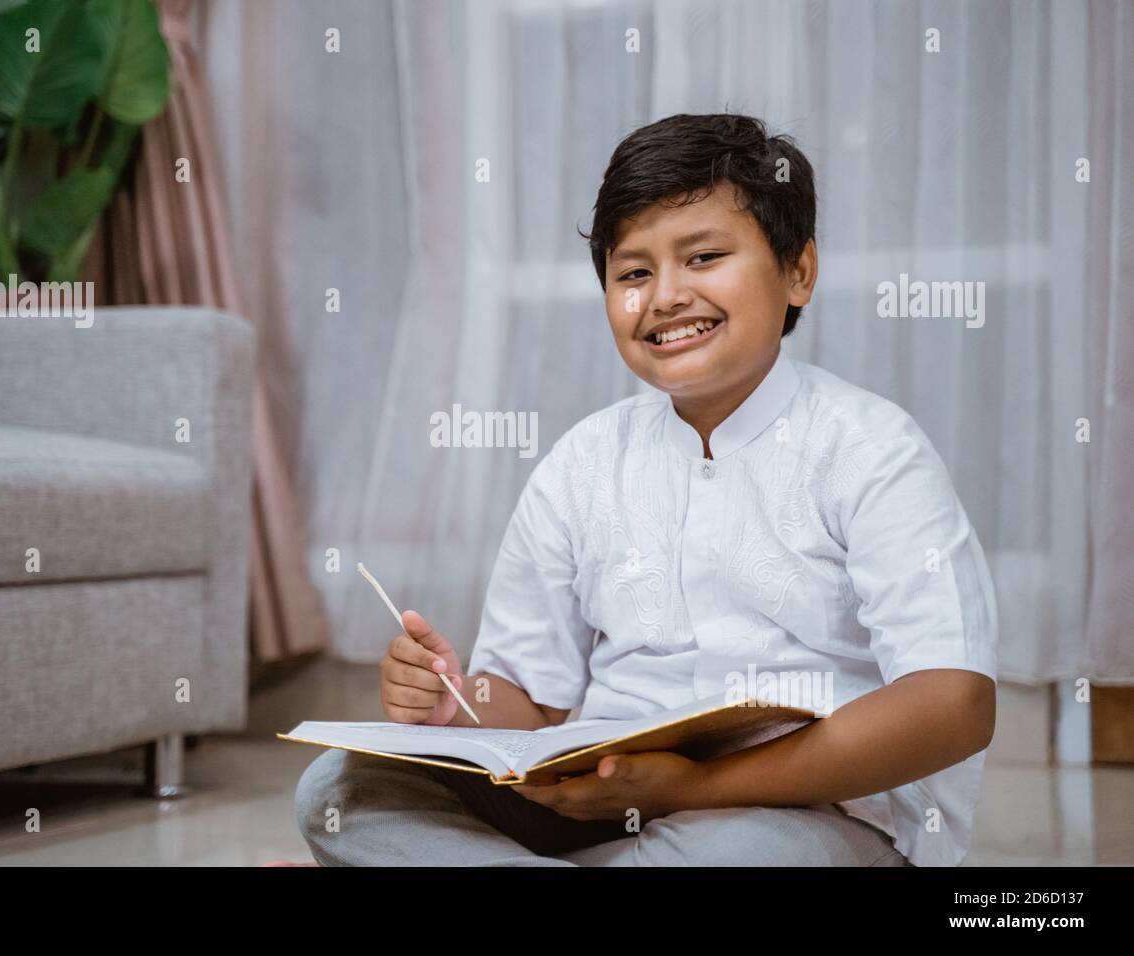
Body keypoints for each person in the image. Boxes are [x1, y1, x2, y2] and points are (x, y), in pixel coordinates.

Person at [289, 113, 997, 867]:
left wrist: (689, 790)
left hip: (798, 815)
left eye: (704, 257)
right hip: (601, 807)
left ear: (799, 270)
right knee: (337, 793)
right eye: (633, 273)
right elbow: (529, 705)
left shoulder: (870, 448)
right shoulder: (583, 463)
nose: (665, 297)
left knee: (744, 858)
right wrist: (452, 711)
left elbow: (953, 703)